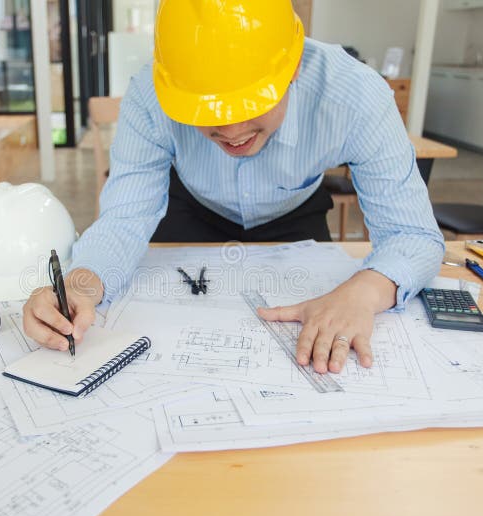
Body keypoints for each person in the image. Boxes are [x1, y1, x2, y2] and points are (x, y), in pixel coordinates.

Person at [24, 0, 444, 374]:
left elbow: (413, 235)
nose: (230, 130)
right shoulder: (151, 93)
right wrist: (80, 285)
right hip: (191, 208)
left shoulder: (356, 94)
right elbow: (125, 218)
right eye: (205, 109)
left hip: (295, 215)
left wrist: (363, 293)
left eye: (250, 104)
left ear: (294, 67)